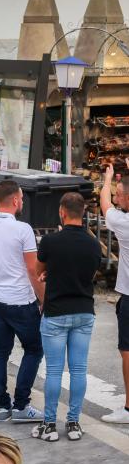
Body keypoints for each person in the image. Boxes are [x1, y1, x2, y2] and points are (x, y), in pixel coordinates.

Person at [32, 192, 101, 442]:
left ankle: (49, 424)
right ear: (82, 213)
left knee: (53, 371)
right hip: (84, 311)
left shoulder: (50, 242)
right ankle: (73, 423)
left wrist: (51, 272)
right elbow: (89, 274)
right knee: (79, 369)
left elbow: (39, 270)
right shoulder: (94, 244)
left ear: (62, 211)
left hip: (56, 312)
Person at [0, 180, 45, 423]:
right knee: (35, 349)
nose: (23, 202)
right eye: (22, 198)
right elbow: (32, 269)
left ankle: (2, 406)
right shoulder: (23, 230)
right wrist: (43, 299)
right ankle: (22, 405)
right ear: (15, 200)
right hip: (20, 300)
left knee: (1, 350)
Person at [101, 159, 129, 424]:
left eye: (120, 194)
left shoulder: (123, 223)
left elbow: (105, 205)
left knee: (128, 351)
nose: (116, 197)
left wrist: (108, 179)